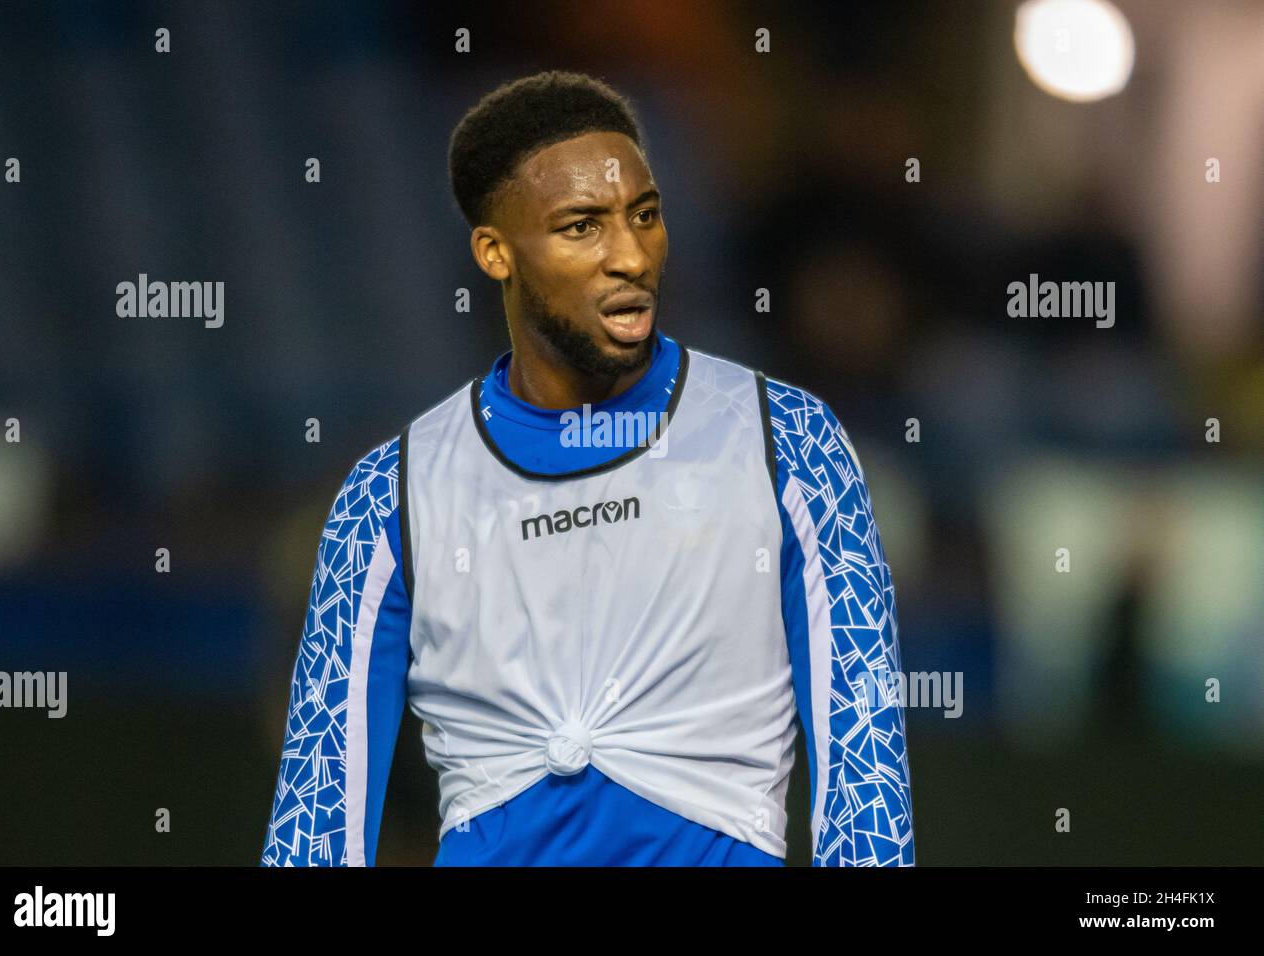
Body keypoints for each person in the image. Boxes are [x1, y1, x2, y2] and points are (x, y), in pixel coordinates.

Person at [260, 70, 913, 866]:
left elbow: (865, 774)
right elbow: (318, 815)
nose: (631, 256)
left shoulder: (792, 445)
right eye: (582, 227)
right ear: (496, 253)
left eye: (646, 216)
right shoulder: (388, 496)